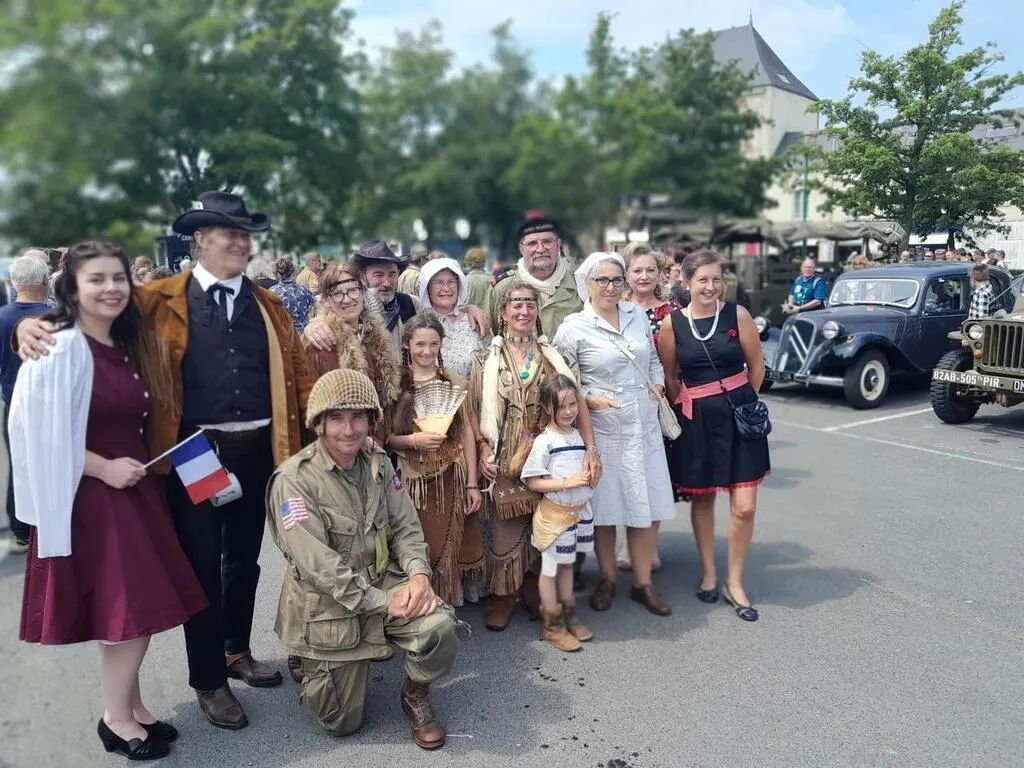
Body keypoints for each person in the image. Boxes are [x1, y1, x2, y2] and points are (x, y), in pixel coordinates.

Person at [15, 191, 317, 730]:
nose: (241, 242)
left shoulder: (269, 307)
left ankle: (234, 649)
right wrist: (26, 325)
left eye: (246, 234)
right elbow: (88, 313)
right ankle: (208, 679)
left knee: (245, 560)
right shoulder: (156, 300)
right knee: (201, 567)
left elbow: (298, 378)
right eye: (229, 232)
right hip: (191, 456)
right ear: (200, 239)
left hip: (259, 451)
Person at [10, 240, 207, 760]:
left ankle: (133, 707)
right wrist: (100, 467)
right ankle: (115, 718)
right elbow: (37, 433)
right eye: (96, 279)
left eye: (118, 278)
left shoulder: (122, 341)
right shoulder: (58, 344)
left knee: (132, 611)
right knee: (128, 614)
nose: (111, 288)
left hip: (131, 487)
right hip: (95, 496)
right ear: (71, 286)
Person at [266, 369, 461, 749]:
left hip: (377, 580)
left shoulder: (378, 463)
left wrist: (419, 578)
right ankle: (309, 655)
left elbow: (405, 526)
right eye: (336, 417)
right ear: (319, 423)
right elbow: (323, 571)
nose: (349, 429)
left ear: (372, 421)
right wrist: (387, 603)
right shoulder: (293, 481)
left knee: (440, 626)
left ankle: (415, 692)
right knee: (342, 723)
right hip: (328, 604)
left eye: (359, 417)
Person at [468, 281, 602, 631]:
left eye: (530, 304)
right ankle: (503, 596)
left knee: (548, 525)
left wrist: (591, 449)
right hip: (506, 454)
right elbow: (473, 409)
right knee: (505, 527)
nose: (524, 311)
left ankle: (535, 590)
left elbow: (578, 403)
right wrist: (483, 447)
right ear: (503, 312)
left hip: (551, 452)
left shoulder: (555, 357)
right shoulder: (486, 359)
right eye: (516, 304)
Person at [553, 253, 676, 616]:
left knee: (647, 506)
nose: (610, 287)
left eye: (616, 280)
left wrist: (656, 385)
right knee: (607, 507)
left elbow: (652, 359)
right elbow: (563, 380)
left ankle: (643, 583)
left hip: (643, 420)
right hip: (602, 426)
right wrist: (588, 398)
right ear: (587, 284)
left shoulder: (637, 315)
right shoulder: (573, 326)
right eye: (602, 280)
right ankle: (607, 577)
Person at [657, 250, 771, 623]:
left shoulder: (737, 315)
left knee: (744, 506)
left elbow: (757, 367)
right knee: (703, 500)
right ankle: (709, 571)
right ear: (686, 283)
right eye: (702, 280)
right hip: (698, 421)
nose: (710, 286)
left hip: (740, 417)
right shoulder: (673, 324)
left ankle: (734, 581)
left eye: (716, 279)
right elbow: (671, 376)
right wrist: (695, 406)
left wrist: (740, 403)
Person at [386, 315, 483, 606]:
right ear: (407, 344)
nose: (427, 351)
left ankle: (447, 597)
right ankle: (419, 597)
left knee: (451, 540)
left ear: (441, 345)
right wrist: (412, 441)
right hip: (412, 477)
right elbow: (385, 437)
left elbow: (467, 432)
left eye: (433, 344)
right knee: (418, 539)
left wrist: (472, 484)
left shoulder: (454, 382)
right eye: (420, 344)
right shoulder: (395, 383)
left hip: (452, 474)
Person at [517, 374, 595, 652]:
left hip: (577, 514)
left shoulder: (577, 435)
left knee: (567, 564)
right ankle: (552, 625)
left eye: (573, 404)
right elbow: (532, 480)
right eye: (561, 407)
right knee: (550, 568)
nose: (568, 411)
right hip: (554, 517)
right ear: (548, 408)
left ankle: (569, 615)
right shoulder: (545, 441)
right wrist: (567, 483)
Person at [302, 263, 399, 443]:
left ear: (362, 292)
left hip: (378, 448)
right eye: (337, 293)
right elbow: (310, 407)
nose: (347, 299)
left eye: (352, 290)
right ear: (326, 299)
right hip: (341, 450)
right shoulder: (319, 342)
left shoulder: (372, 335)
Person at [0, 255, 51, 553]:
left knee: (19, 465)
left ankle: (21, 531)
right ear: (45, 281)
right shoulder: (57, 317)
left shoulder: (3, 316)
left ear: (13, 283)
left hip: (14, 404)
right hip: (52, 407)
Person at [489, 216, 582, 337]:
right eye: (532, 244)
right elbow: (490, 336)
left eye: (547, 242)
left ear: (558, 244)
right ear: (522, 249)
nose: (540, 249)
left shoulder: (579, 286)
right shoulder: (501, 289)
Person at [418, 257, 487, 377]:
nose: (446, 288)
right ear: (427, 287)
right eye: (439, 282)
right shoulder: (417, 323)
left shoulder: (475, 322)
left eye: (451, 282)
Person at [270, 257, 317, 333]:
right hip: (302, 333)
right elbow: (317, 304)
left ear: (276, 272)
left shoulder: (272, 292)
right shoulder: (302, 290)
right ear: (293, 272)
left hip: (282, 332)